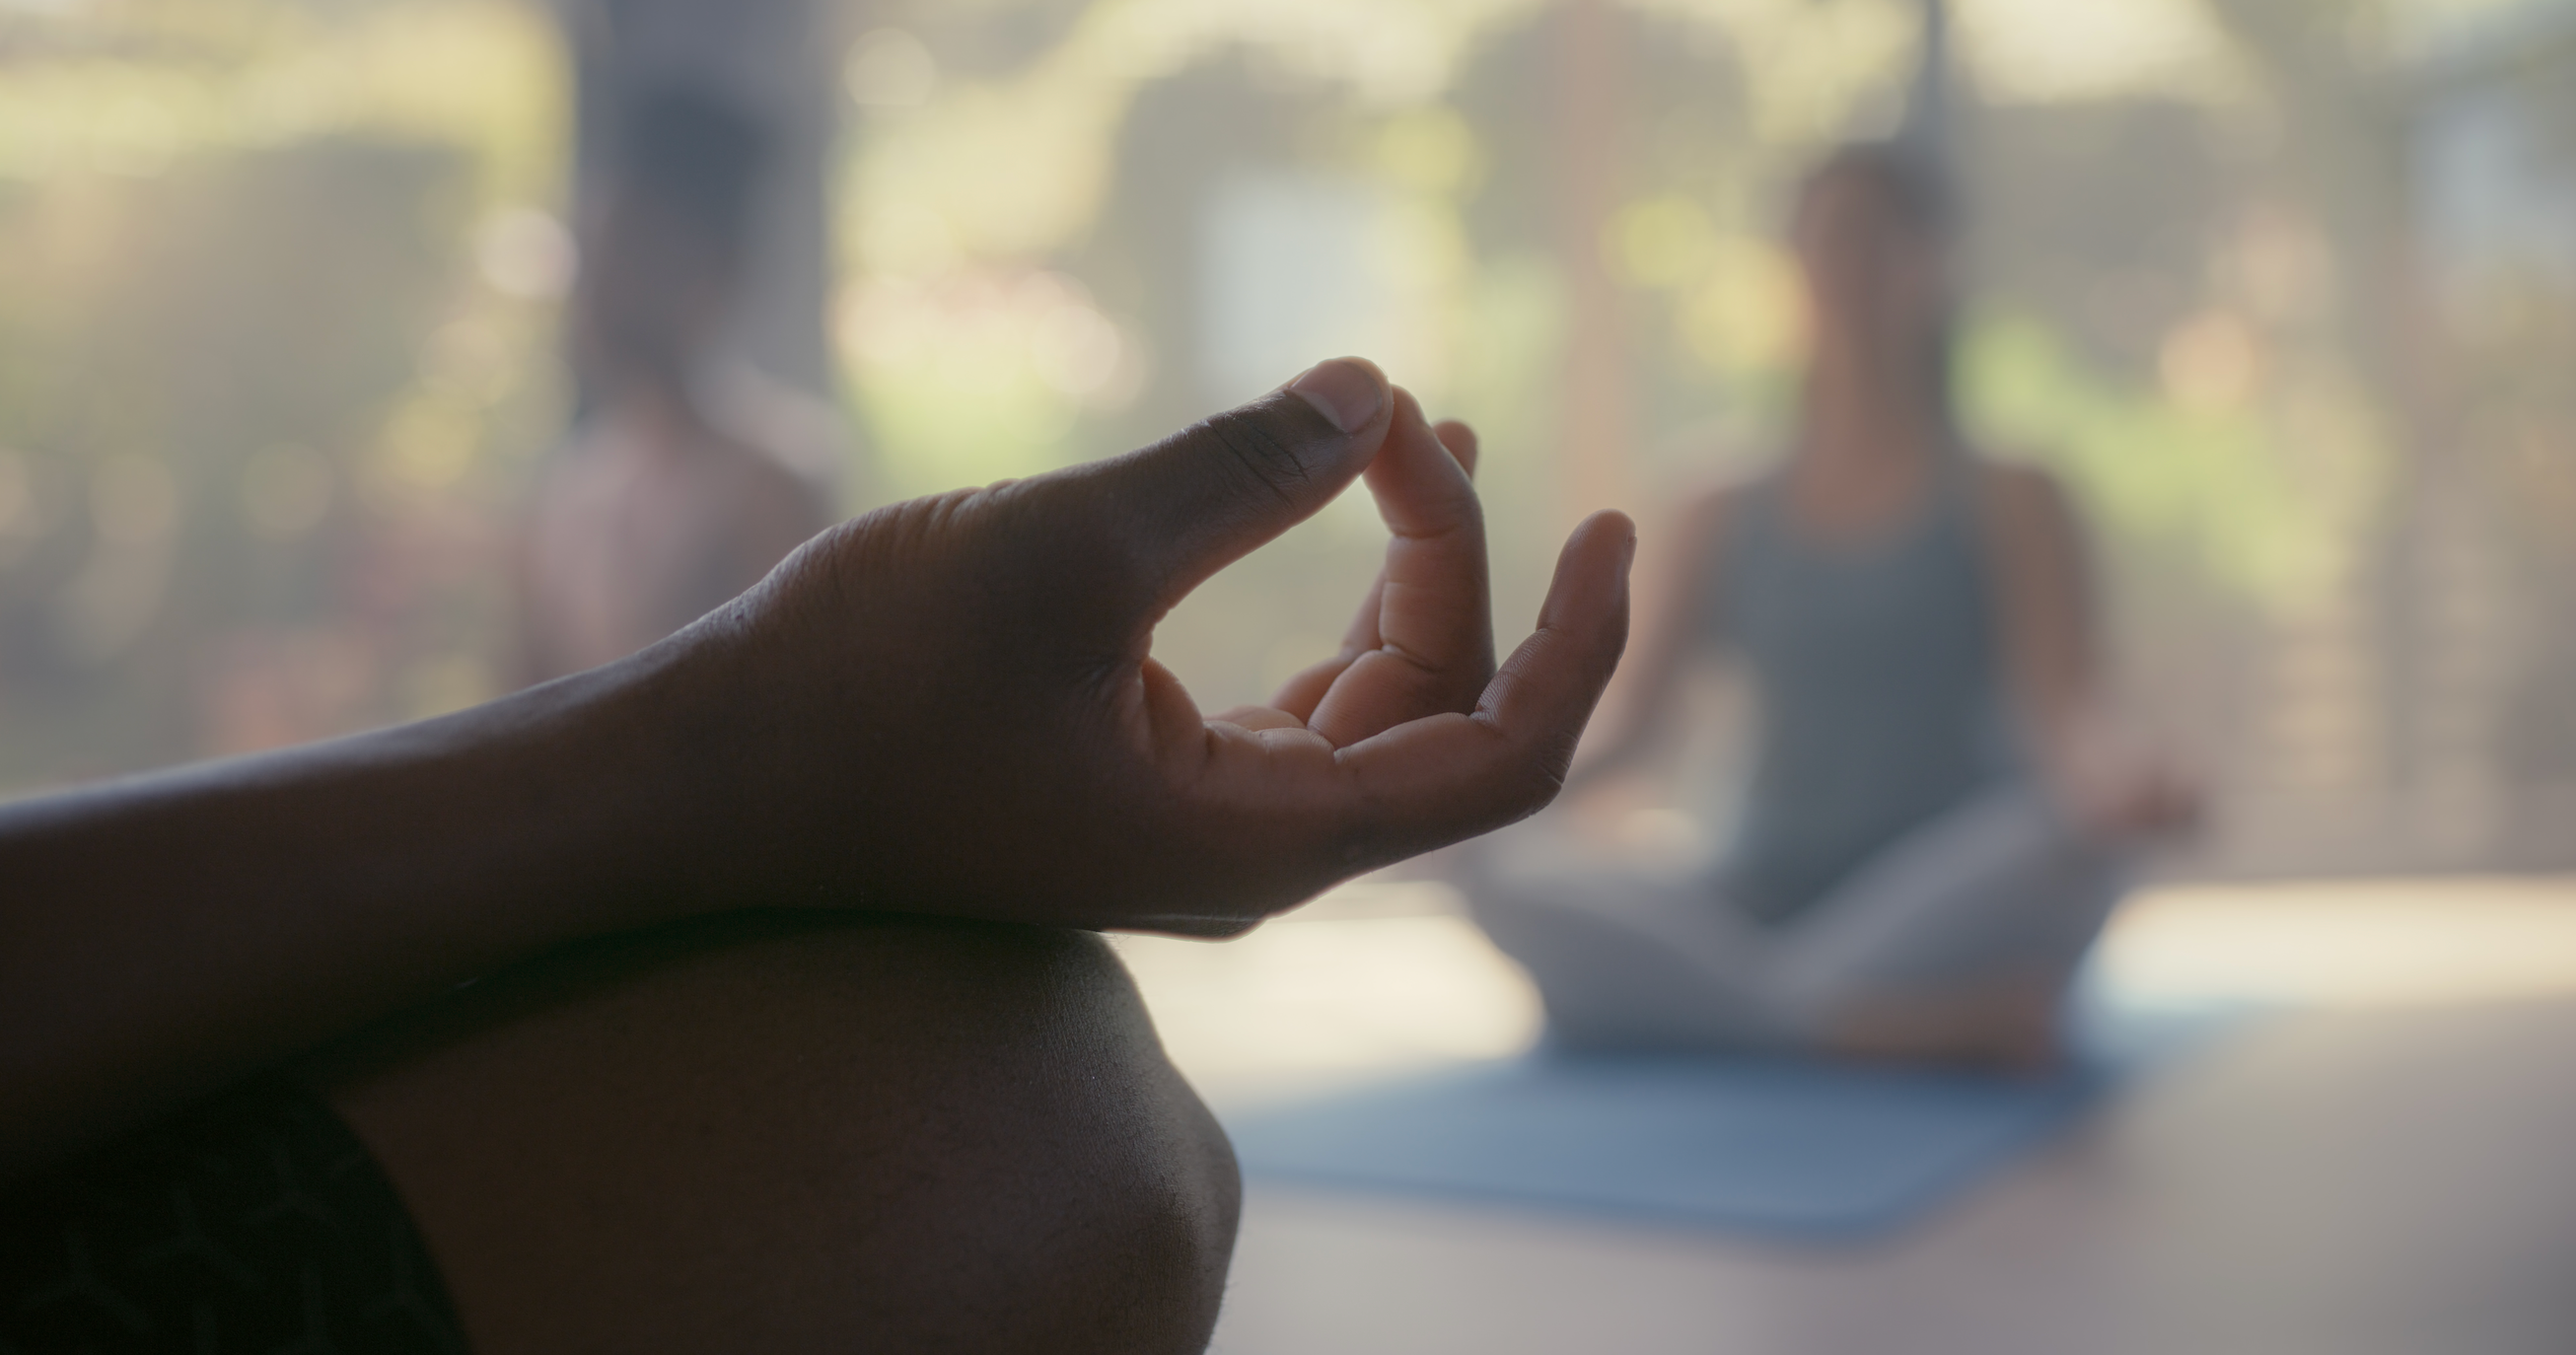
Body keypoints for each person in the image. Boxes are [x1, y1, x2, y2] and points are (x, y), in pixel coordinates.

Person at [0, 359, 1635, 1353]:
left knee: (994, 1081)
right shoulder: (572, 483)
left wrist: (747, 748)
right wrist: (735, 749)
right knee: (985, 1104)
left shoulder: (749, 462)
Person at [1467, 143, 2198, 1069]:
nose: (1846, 269)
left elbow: (2067, 712)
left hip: (1942, 894)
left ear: (1933, 264)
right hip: (1758, 886)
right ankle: (1867, 1025)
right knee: (1493, 870)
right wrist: (1472, 797)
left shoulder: (2013, 491)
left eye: (1873, 242)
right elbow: (1635, 731)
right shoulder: (1717, 501)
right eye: (1822, 244)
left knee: (2065, 840)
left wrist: (2127, 786)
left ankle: (1711, 1011)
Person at [518, 85, 842, 682]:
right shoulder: (574, 490)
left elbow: (800, 706)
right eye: (598, 255)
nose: (603, 288)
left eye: (637, 254)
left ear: (715, 273)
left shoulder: (767, 486)